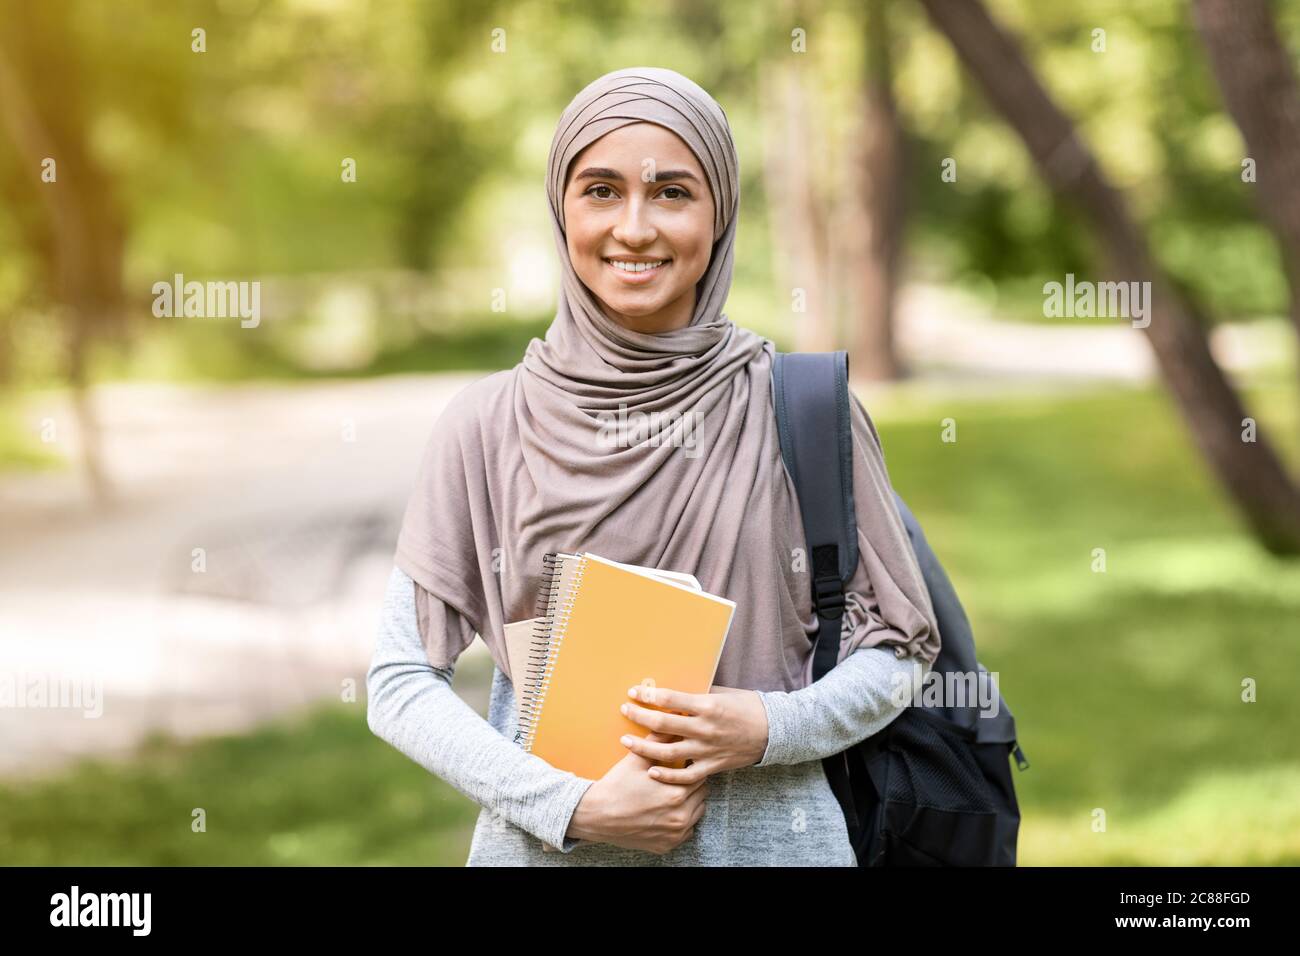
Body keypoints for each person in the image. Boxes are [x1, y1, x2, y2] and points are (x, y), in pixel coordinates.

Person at [366, 66, 940, 866]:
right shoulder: (487, 424)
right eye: (600, 190)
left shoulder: (803, 408)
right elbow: (399, 684)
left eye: (672, 193)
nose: (634, 228)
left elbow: (903, 652)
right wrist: (574, 806)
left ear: (721, 214)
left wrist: (770, 727)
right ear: (561, 209)